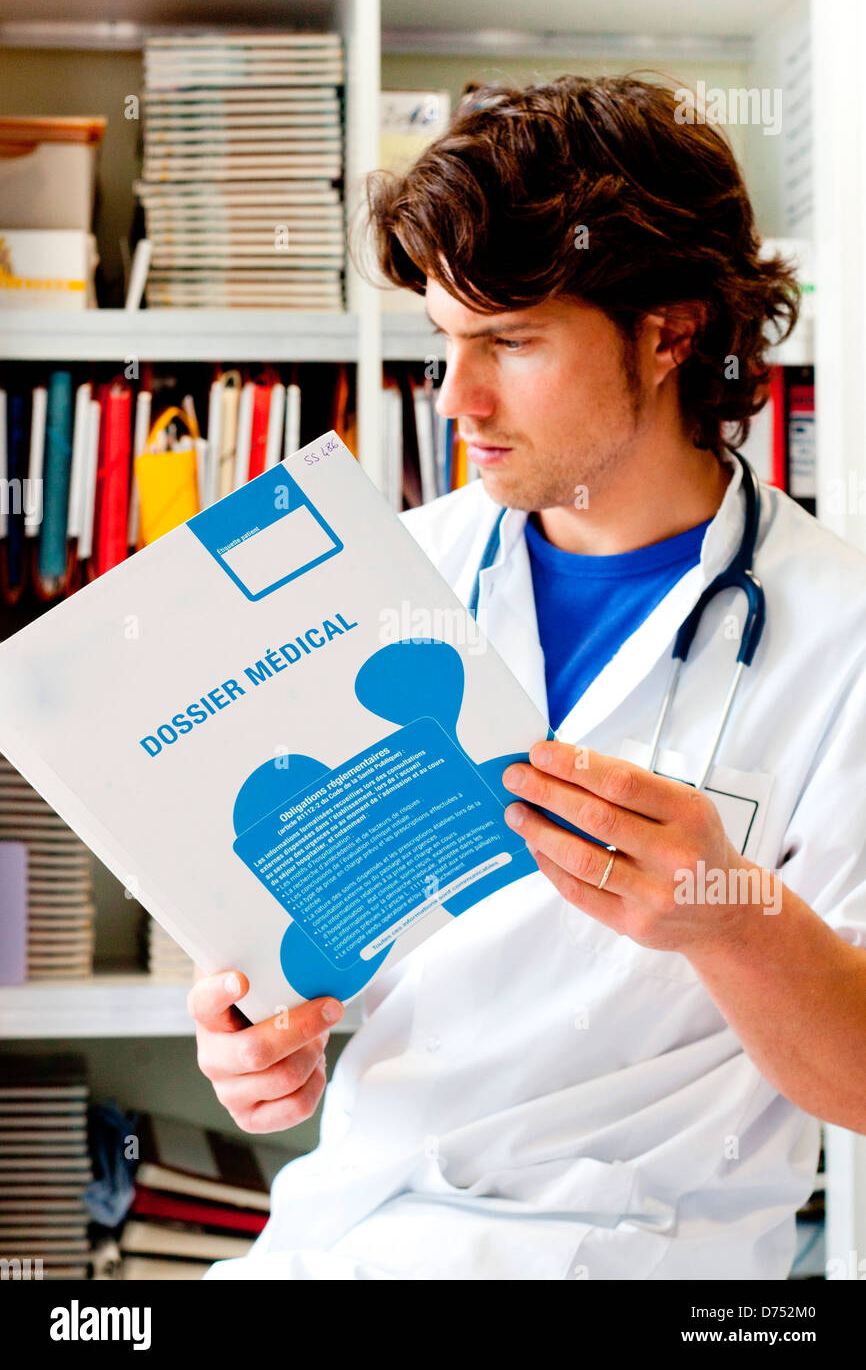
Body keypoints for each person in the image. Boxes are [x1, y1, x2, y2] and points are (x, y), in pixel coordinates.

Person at [193, 75, 866, 1280]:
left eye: (507, 342)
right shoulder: (382, 577)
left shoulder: (841, 635)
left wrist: (726, 921)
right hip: (346, 1233)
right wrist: (258, 1037)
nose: (455, 399)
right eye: (445, 342)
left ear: (669, 333)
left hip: (636, 1255)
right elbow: (300, 954)